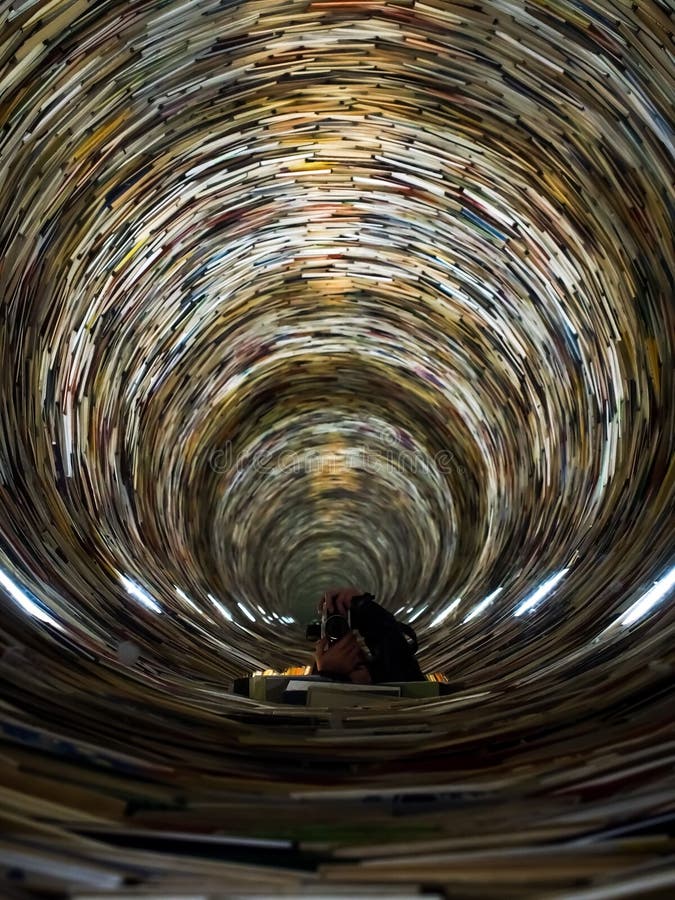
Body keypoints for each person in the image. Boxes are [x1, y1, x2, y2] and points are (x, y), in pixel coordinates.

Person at [312, 587, 425, 684]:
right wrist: (368, 610)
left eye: (358, 666)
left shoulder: (384, 676)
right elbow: (403, 672)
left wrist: (328, 677)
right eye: (358, 667)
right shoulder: (389, 680)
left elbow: (400, 667)